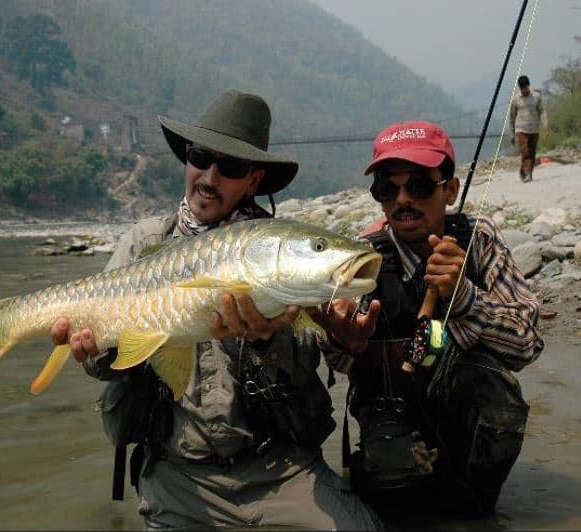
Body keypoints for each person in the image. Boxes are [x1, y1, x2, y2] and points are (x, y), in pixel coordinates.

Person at [50, 90, 382, 530]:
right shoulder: (141, 242)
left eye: (230, 167)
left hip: (278, 470)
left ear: (253, 180)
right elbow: (105, 367)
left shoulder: (280, 259)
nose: (210, 176)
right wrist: (98, 353)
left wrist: (267, 340)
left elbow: (310, 370)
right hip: (178, 476)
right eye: (200, 157)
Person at [309, 121, 543, 523]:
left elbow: (526, 344)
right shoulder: (362, 256)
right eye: (388, 188)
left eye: (418, 186)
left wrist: (466, 298)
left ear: (449, 191)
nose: (403, 200)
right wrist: (346, 343)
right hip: (388, 406)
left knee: (471, 508)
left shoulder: (480, 240)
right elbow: (337, 362)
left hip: (466, 402)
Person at [510, 75, 547, 182]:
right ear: (519, 87)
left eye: (525, 87)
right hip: (521, 130)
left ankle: (527, 172)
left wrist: (545, 124)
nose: (524, 90)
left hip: (534, 129)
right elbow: (512, 117)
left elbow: (542, 111)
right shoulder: (515, 99)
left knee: (532, 152)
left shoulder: (536, 97)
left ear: (528, 86)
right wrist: (512, 134)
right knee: (525, 151)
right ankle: (527, 174)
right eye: (522, 88)